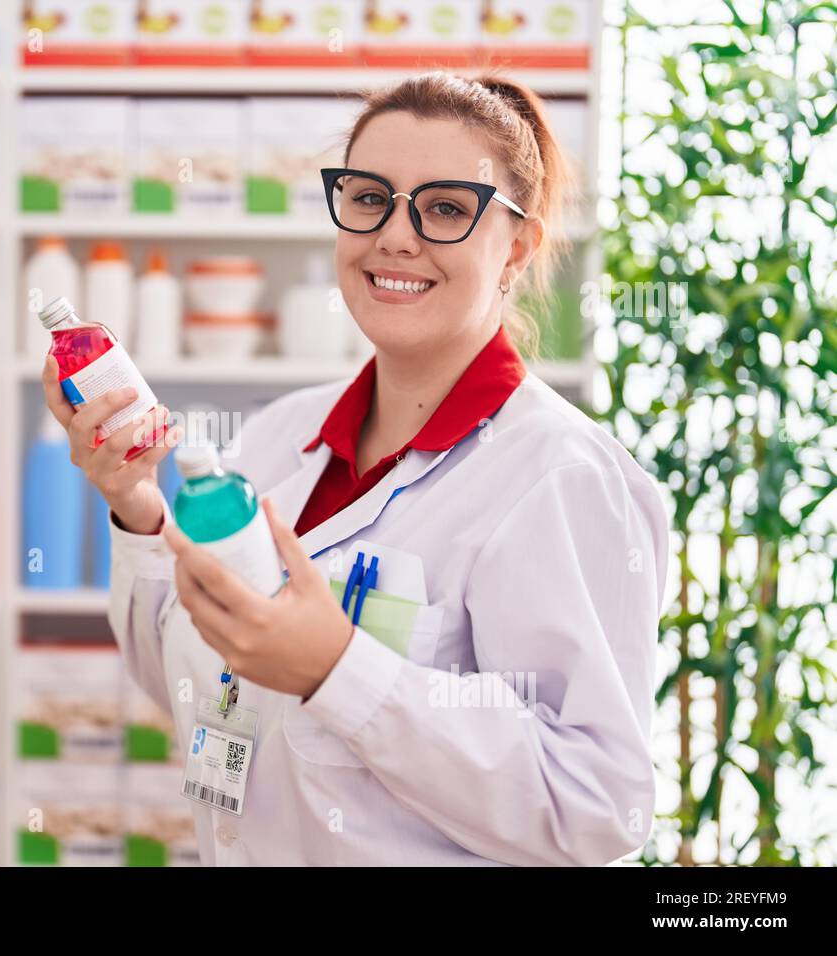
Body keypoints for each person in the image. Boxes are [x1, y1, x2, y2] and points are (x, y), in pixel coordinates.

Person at [41, 72, 669, 866]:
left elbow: (598, 807)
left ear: (517, 246)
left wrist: (337, 670)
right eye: (370, 197)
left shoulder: (564, 479)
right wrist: (133, 501)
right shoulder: (279, 437)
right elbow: (191, 689)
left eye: (445, 207)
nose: (395, 238)